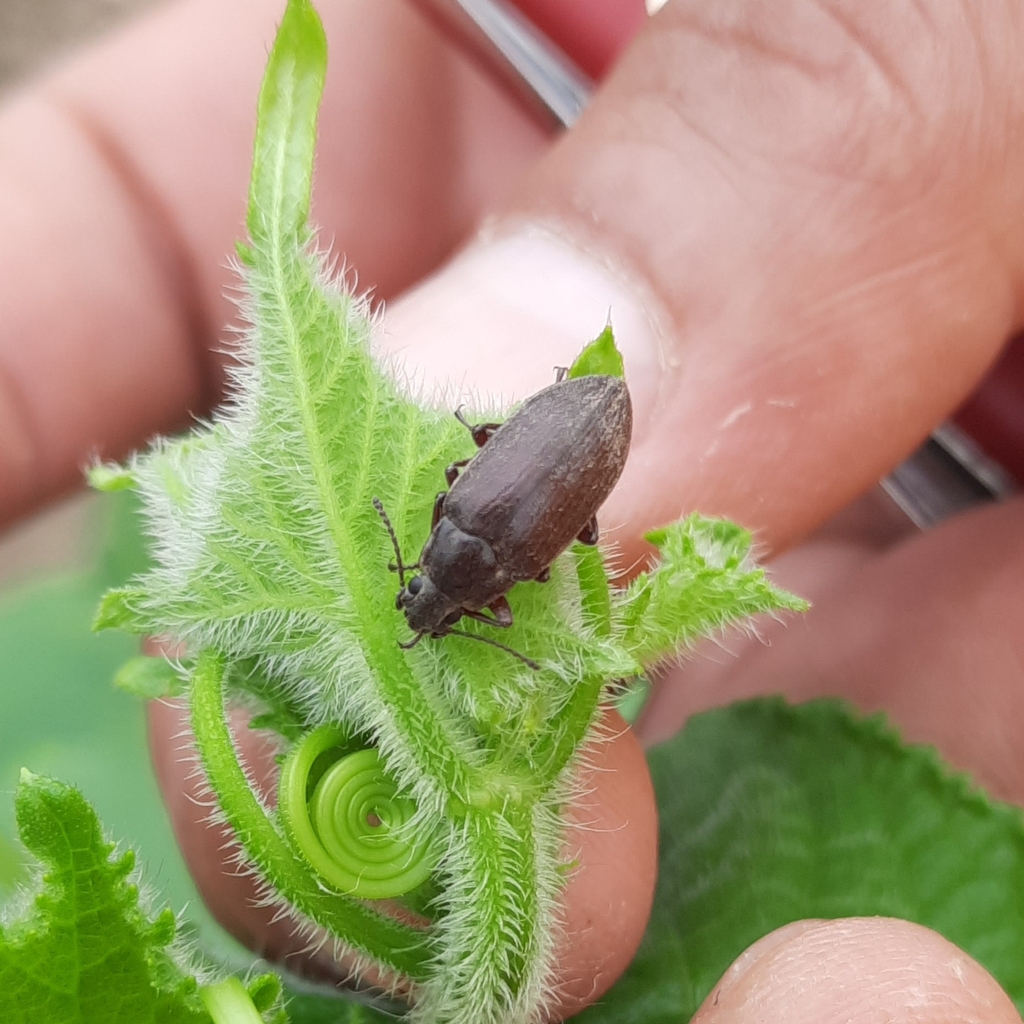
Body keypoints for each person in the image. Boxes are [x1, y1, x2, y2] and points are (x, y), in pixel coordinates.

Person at [3, 0, 1023, 1020]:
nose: (422, 603)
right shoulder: (477, 536)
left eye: (423, 595)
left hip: (593, 415)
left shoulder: (486, 542)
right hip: (582, 440)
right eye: (429, 598)